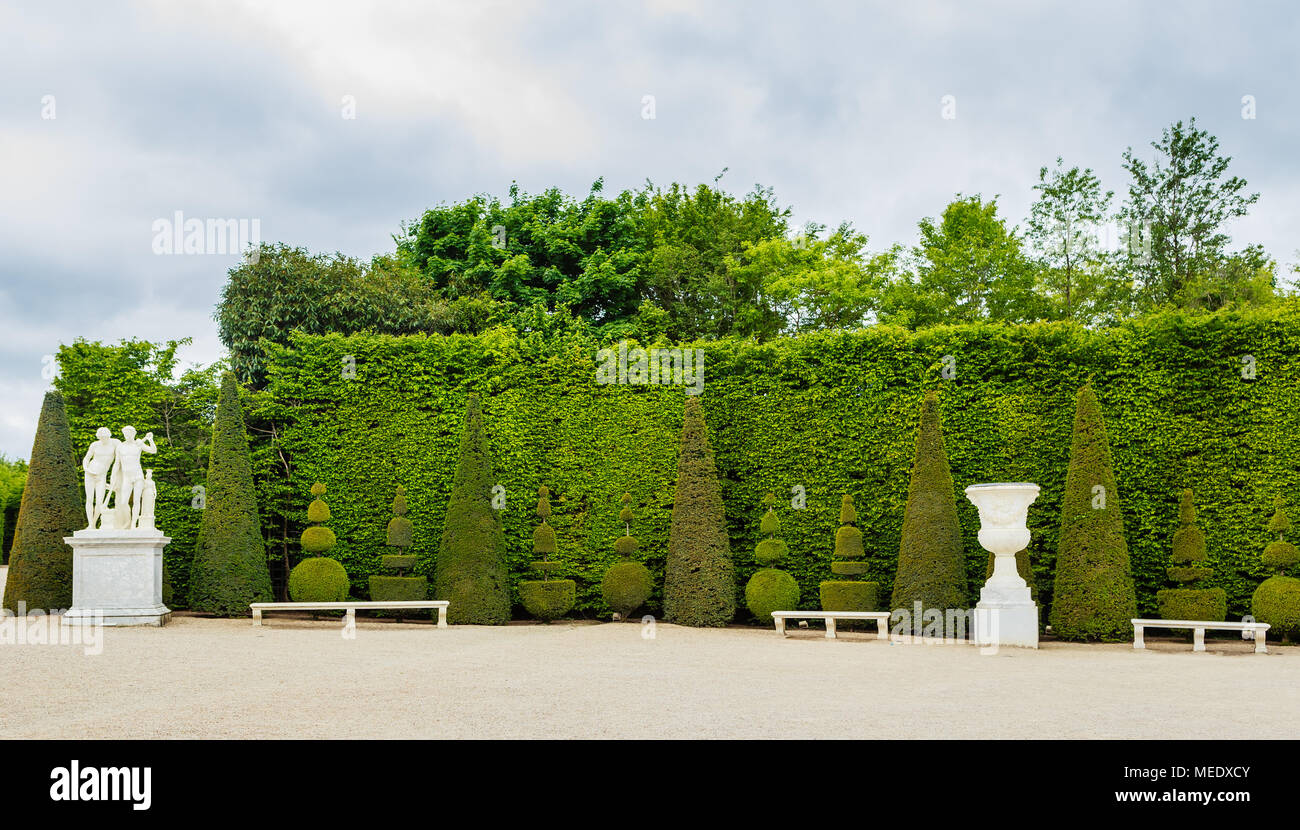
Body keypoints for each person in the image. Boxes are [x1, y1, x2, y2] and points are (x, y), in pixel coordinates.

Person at [81, 427, 120, 529]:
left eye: (105, 437)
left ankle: (94, 523)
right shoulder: (95, 444)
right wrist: (86, 468)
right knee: (89, 499)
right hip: (90, 473)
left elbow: (120, 458)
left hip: (102, 475)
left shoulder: (115, 443)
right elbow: (87, 458)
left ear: (109, 435)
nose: (103, 439)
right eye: (101, 437)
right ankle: (91, 525)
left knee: (99, 502)